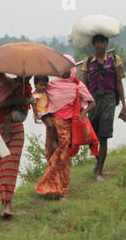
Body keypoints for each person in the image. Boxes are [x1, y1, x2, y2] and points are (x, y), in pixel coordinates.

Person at [35, 66, 95, 200]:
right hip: (52, 126)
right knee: (51, 153)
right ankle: (53, 189)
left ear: (72, 69)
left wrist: (83, 114)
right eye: (62, 66)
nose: (64, 70)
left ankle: (59, 189)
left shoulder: (77, 85)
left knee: (63, 157)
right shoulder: (51, 85)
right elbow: (40, 97)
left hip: (68, 126)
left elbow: (91, 102)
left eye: (67, 67)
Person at [0, 70, 30, 218]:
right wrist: (14, 101)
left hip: (14, 130)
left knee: (9, 166)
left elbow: (25, 107)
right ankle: (4, 196)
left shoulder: (14, 85)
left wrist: (24, 89)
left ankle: (7, 203)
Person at [82, 34, 126, 180]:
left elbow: (119, 82)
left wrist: (124, 106)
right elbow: (84, 86)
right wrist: (83, 106)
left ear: (106, 44)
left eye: (103, 42)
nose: (100, 45)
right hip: (93, 101)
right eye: (97, 42)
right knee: (91, 137)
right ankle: (98, 161)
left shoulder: (114, 59)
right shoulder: (88, 62)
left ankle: (100, 171)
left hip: (109, 100)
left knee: (104, 136)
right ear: (94, 44)